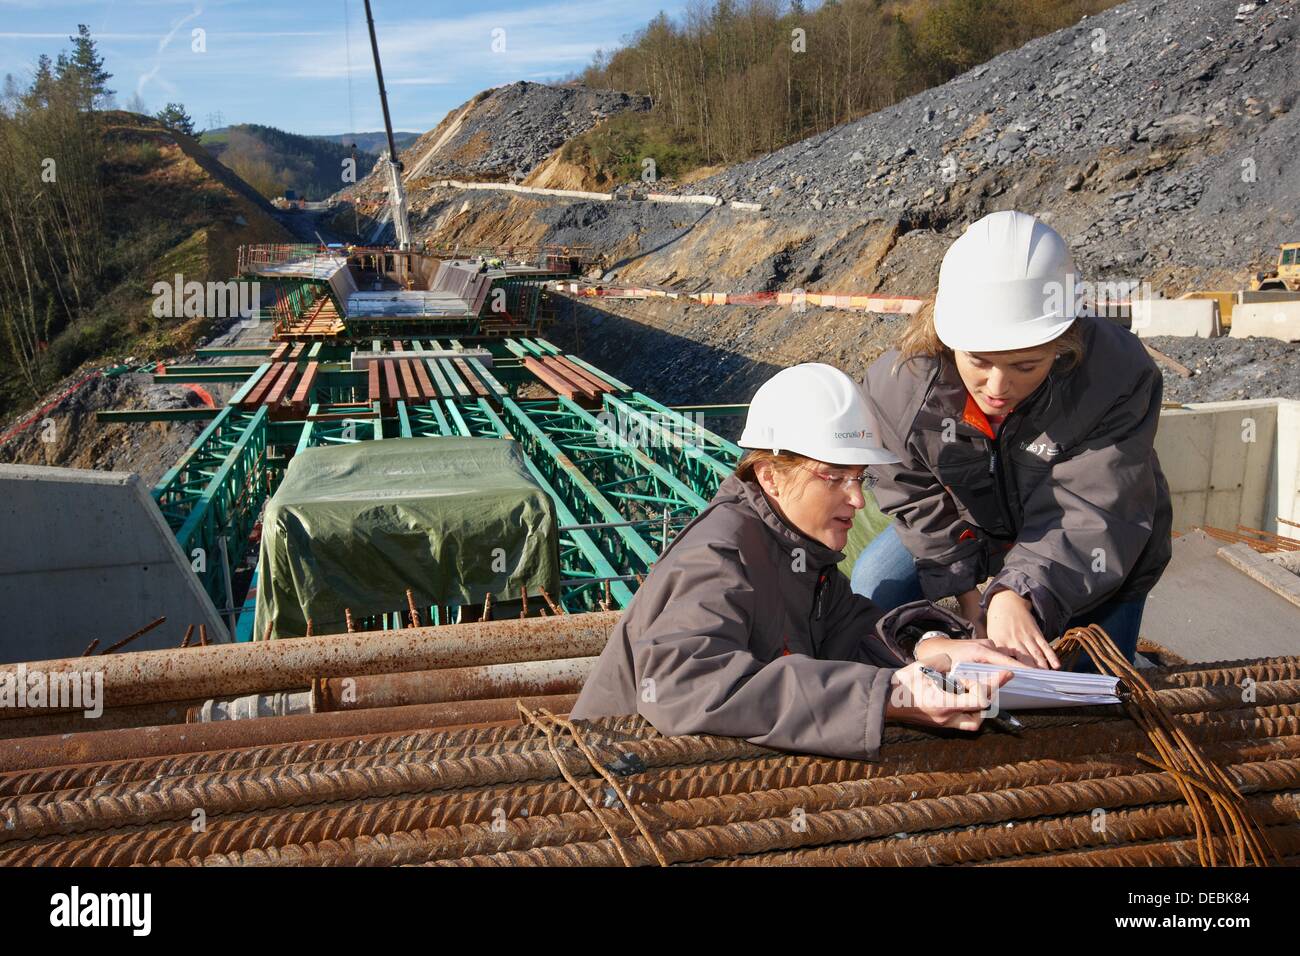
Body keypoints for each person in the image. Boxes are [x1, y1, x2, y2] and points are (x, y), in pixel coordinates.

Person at [572, 363, 1019, 760]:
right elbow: (685, 683)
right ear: (771, 477)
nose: (858, 499)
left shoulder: (797, 550)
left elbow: (850, 629)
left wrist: (927, 647)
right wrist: (886, 696)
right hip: (620, 777)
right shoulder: (719, 556)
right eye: (835, 477)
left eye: (860, 477)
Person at [852, 210, 1173, 671]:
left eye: (1026, 366)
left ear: (1064, 342)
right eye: (979, 361)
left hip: (1093, 535)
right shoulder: (899, 387)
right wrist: (966, 593)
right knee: (876, 578)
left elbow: (1096, 507)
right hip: (973, 523)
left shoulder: (1115, 376)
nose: (997, 387)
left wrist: (1012, 594)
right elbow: (911, 494)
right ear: (946, 338)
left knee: (1091, 687)